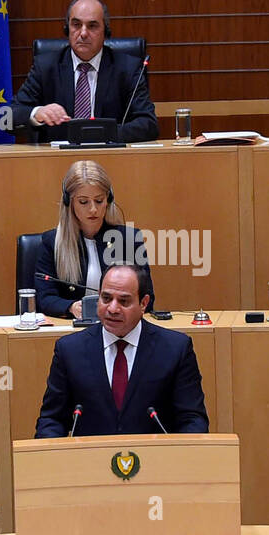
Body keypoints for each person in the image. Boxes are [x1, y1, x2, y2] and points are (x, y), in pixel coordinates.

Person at [35, 264, 208, 437]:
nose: (112, 309)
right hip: (89, 460)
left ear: (143, 303)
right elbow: (52, 420)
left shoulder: (175, 349)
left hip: (156, 460)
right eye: (106, 298)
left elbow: (192, 420)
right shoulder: (70, 350)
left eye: (123, 301)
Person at [12, 0, 159, 143]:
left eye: (92, 26)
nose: (83, 33)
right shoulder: (46, 66)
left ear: (105, 32)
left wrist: (100, 134)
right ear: (67, 29)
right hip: (57, 161)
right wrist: (37, 113)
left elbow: (149, 124)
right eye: (76, 25)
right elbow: (7, 117)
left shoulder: (127, 68)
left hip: (111, 159)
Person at [34, 160, 154, 319]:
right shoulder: (52, 242)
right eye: (83, 202)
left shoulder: (129, 240)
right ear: (69, 202)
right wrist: (71, 307)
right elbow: (44, 299)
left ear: (108, 200)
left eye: (99, 201)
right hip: (73, 330)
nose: (93, 209)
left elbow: (147, 298)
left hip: (119, 326)